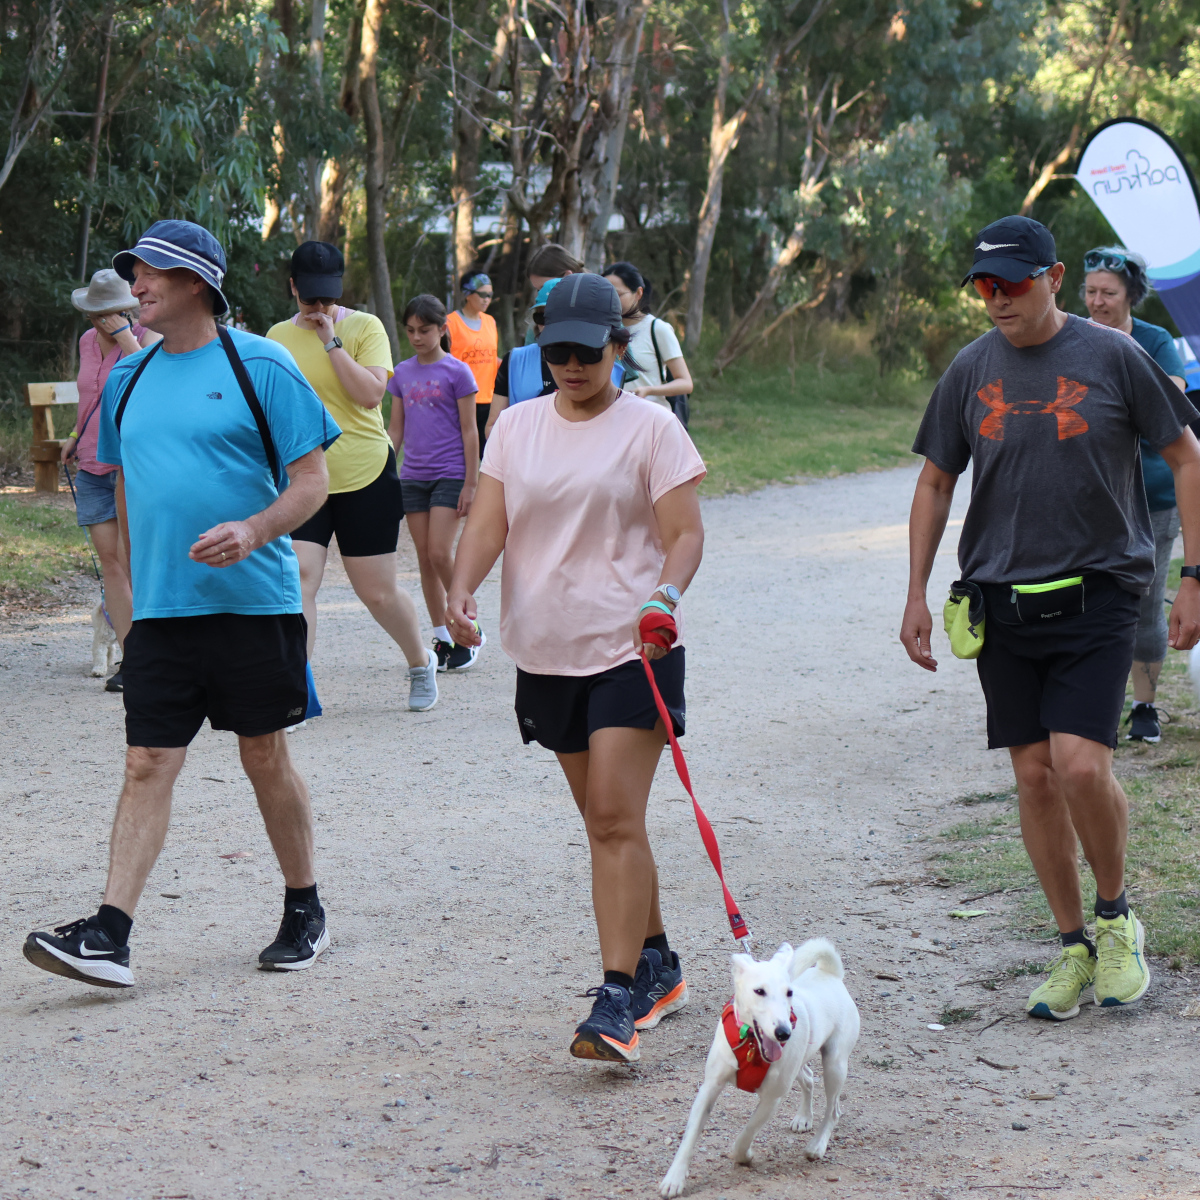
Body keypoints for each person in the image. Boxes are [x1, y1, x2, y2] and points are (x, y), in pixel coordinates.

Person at [23, 220, 340, 990]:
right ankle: (111, 934)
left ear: (196, 281)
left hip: (252, 605)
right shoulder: (130, 379)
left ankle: (305, 906)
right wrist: (129, 599)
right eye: (135, 273)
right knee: (146, 762)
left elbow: (312, 480)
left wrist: (255, 527)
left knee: (264, 754)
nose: (136, 285)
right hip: (164, 614)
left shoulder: (260, 364)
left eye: (150, 273)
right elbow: (129, 489)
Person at [901, 215, 1200, 1023]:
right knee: (1032, 775)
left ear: (1054, 276)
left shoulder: (1116, 356)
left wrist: (1193, 577)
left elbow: (1185, 454)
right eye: (984, 287)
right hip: (1002, 601)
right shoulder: (970, 369)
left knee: (1078, 765)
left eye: (1013, 284)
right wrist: (916, 591)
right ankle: (1072, 943)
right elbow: (934, 483)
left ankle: (1116, 917)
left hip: (1099, 591)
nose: (997, 300)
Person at [447, 274, 706, 1062]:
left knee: (614, 818)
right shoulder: (518, 427)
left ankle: (618, 995)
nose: (570, 364)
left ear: (618, 347)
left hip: (634, 647)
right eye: (556, 350)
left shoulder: (652, 429)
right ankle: (658, 959)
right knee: (604, 821)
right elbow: (490, 522)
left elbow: (684, 535)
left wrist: (666, 592)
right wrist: (459, 585)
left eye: (585, 351)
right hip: (546, 650)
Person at [267, 242, 437, 713]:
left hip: (364, 472)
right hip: (304, 474)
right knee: (300, 579)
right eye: (310, 299)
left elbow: (369, 395)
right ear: (293, 287)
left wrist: (330, 341)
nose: (319, 307)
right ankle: (296, 692)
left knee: (377, 592)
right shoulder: (276, 337)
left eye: (327, 298)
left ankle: (420, 660)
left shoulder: (365, 326)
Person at [1081, 246, 1189, 744]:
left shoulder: (1156, 341)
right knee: (1083, 597)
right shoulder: (1071, 338)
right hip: (1088, 495)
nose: (1098, 302)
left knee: (1144, 602)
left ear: (1131, 296)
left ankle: (1144, 707)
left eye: (1109, 293)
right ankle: (1085, 704)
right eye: (1090, 292)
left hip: (1153, 496)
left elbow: (1169, 399)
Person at [63, 269, 161, 691]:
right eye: (92, 314)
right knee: (112, 565)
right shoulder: (87, 343)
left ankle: (158, 653)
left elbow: (154, 385)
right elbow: (90, 395)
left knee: (136, 561)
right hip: (91, 463)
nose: (97, 322)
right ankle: (133, 659)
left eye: (106, 314)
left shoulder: (149, 337)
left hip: (131, 465)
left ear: (125, 310)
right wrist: (71, 436)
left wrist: (125, 337)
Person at [387, 295, 483, 672]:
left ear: (442, 329)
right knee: (425, 559)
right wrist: (383, 472)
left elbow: (469, 430)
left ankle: (469, 624)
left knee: (441, 553)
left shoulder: (458, 373)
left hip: (450, 473)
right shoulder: (401, 373)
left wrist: (471, 484)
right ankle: (443, 637)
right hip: (412, 476)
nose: (416, 337)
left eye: (424, 330)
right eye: (410, 330)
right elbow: (396, 430)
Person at [603, 261, 694, 423]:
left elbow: (685, 383)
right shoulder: (601, 331)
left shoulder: (657, 329)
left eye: (617, 294)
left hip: (651, 422)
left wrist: (648, 390)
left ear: (638, 293)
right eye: (605, 293)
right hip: (613, 423)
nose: (610, 300)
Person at [447, 271, 501, 455]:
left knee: (489, 457)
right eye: (483, 294)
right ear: (467, 294)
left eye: (490, 295)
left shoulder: (490, 322)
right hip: (461, 399)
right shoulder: (450, 323)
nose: (487, 299)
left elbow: (491, 357)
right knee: (461, 455)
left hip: (489, 399)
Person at [523, 244, 583, 343]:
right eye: (538, 290)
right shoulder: (536, 326)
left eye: (544, 287)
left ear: (568, 276)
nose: (541, 294)